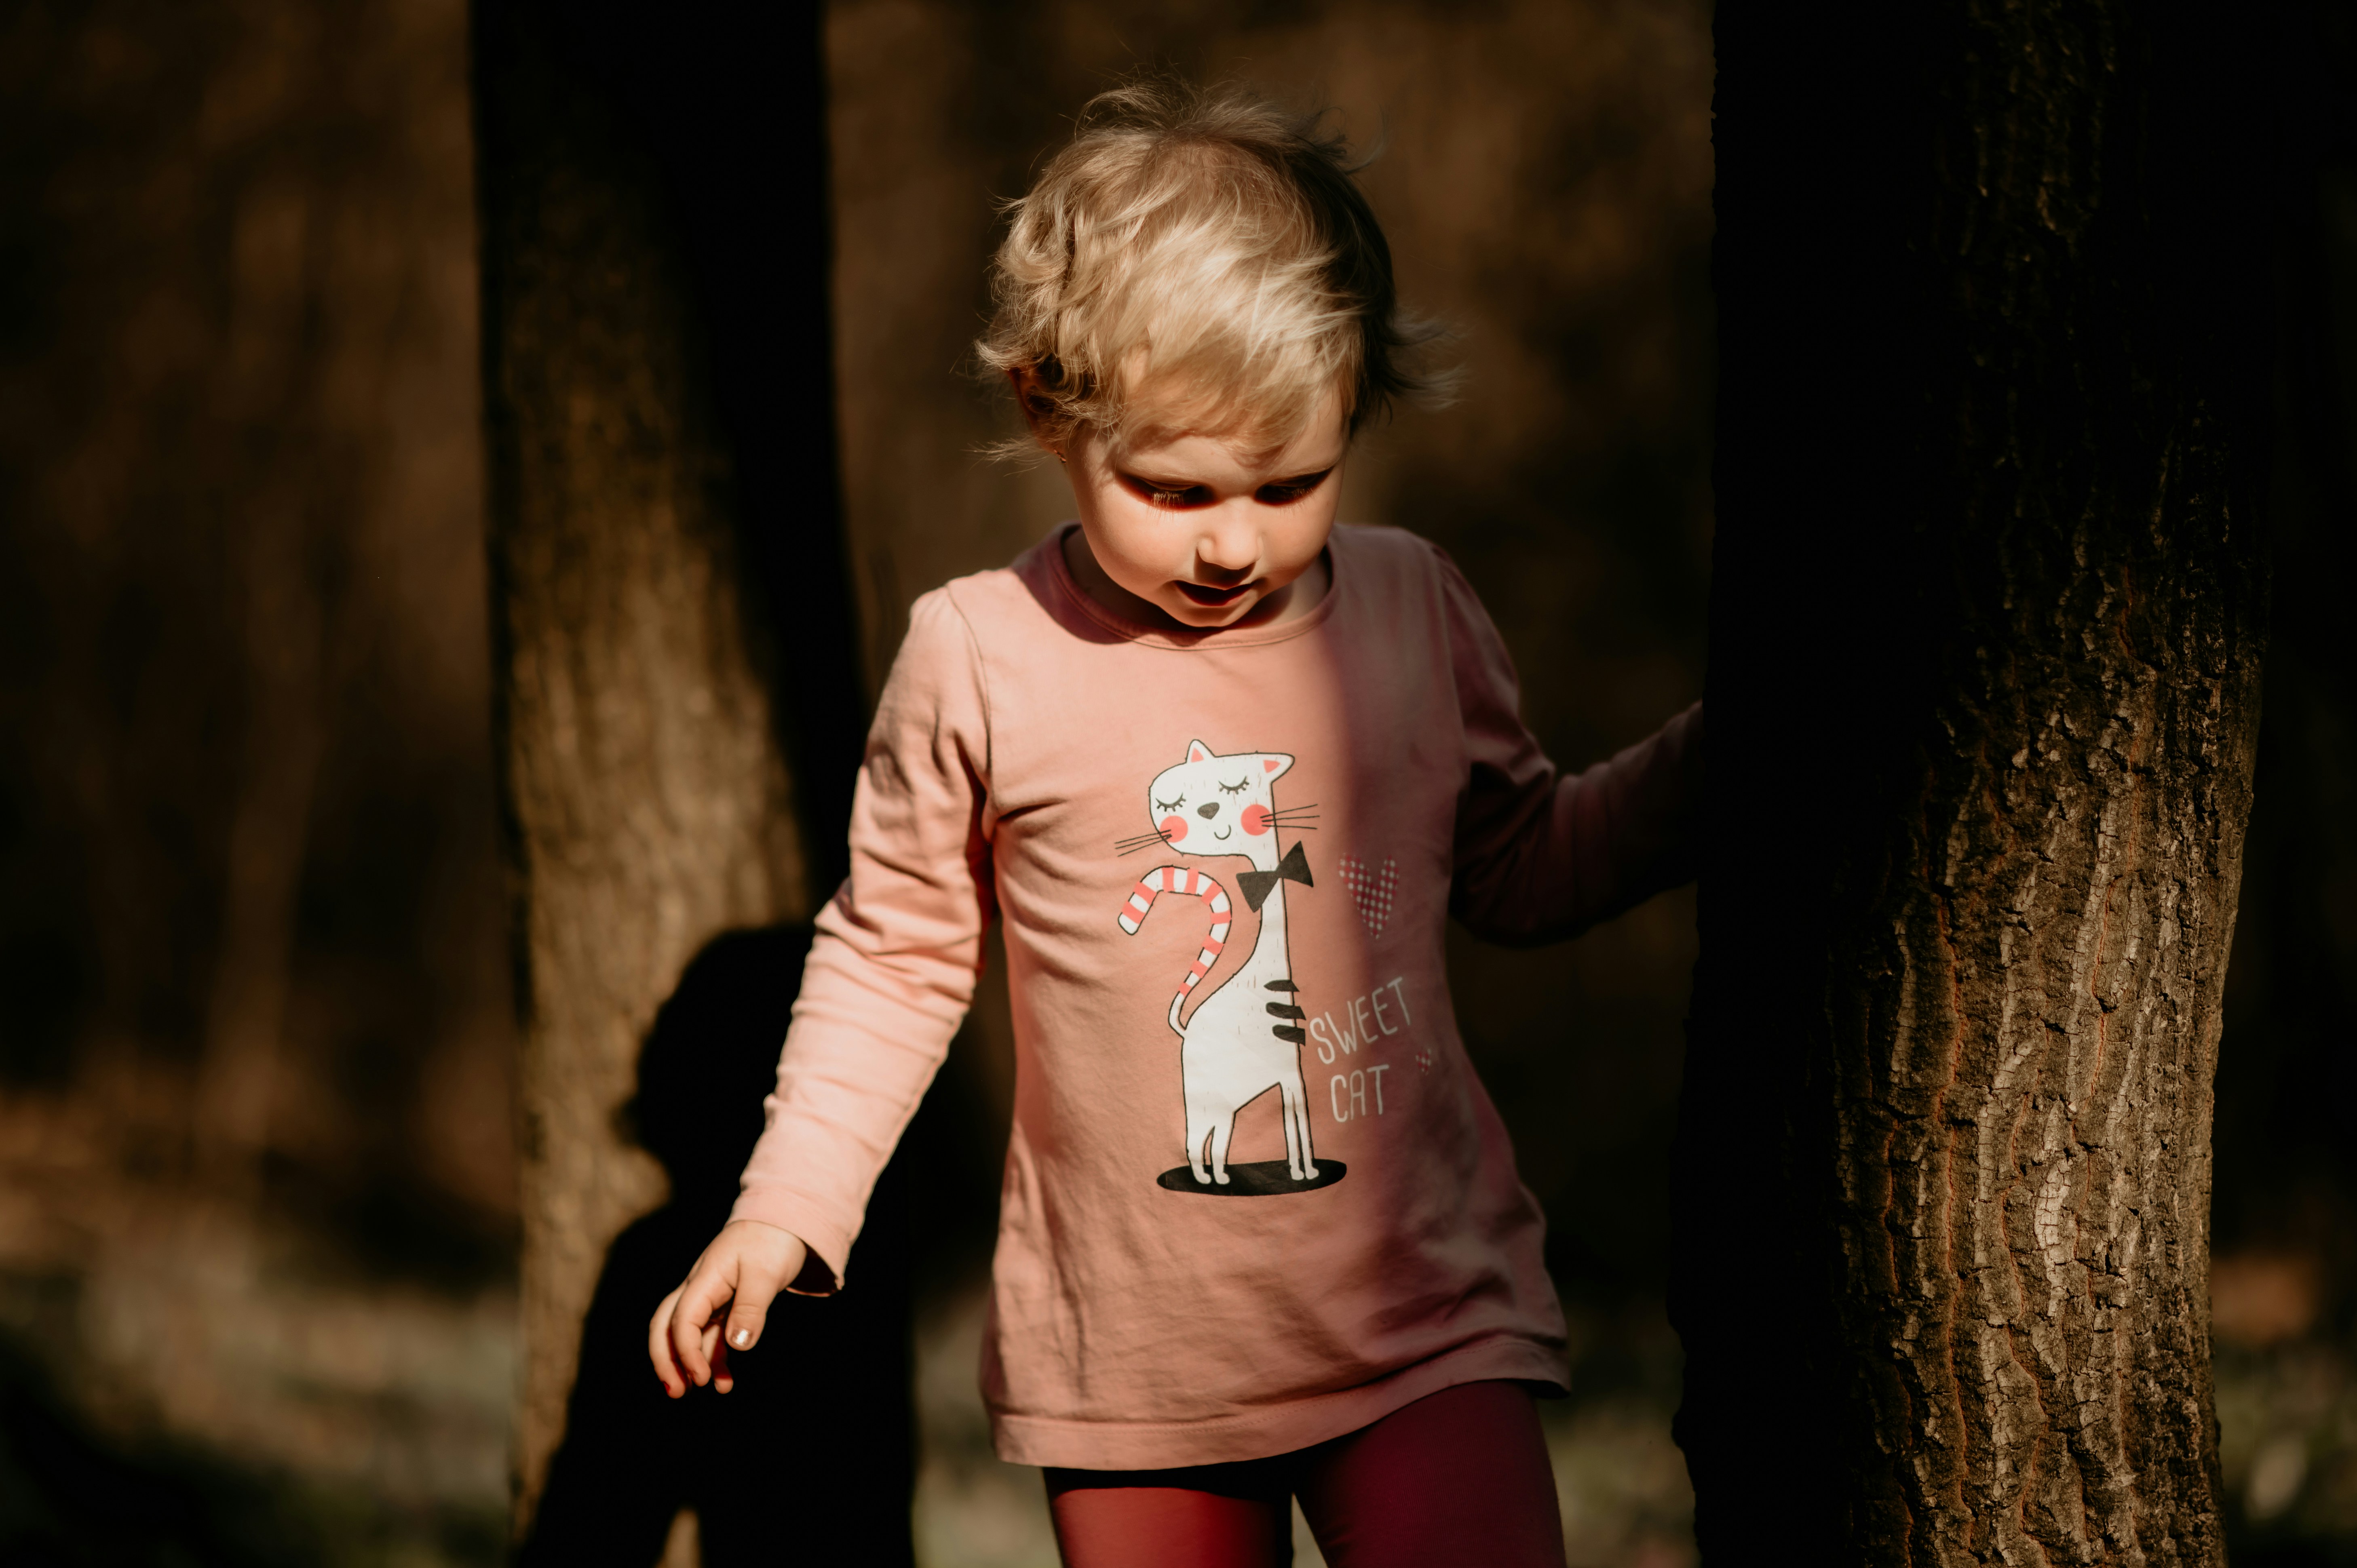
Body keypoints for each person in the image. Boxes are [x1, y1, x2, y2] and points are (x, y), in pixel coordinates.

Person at [649, 79, 1701, 1568]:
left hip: (1426, 1331)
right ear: (1047, 407)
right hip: (1132, 1376)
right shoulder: (981, 654)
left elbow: (1524, 865)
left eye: (1292, 484)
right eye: (1174, 486)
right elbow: (893, 956)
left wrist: (1712, 771)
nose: (1233, 540)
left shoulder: (1411, 607)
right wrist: (785, 1212)